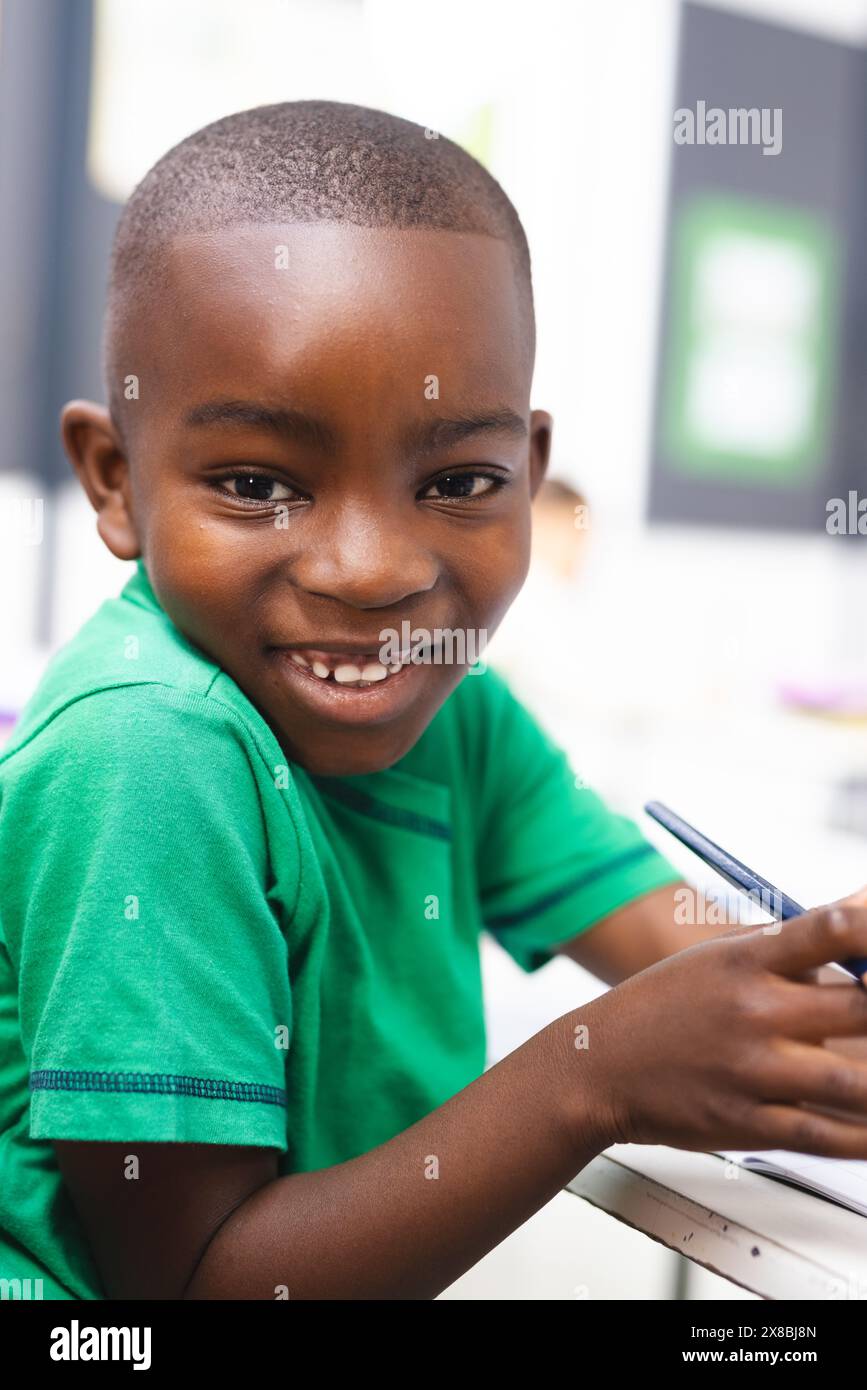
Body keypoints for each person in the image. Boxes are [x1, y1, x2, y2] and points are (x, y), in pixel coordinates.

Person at [3, 101, 867, 1302]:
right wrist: (592, 1073)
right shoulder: (146, 751)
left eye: (459, 479)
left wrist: (819, 976)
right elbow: (195, 1288)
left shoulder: (454, 706)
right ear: (116, 483)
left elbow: (675, 929)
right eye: (257, 483)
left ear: (532, 470)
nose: (372, 571)